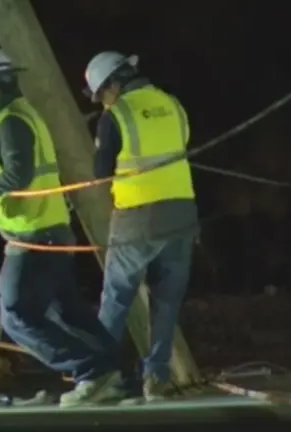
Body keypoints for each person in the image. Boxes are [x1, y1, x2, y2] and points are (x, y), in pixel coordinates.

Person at [0, 46, 123, 407]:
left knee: (17, 315)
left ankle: (93, 372)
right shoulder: (18, 115)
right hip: (49, 228)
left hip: (35, 235)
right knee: (70, 312)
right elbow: (14, 168)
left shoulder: (11, 120)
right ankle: (121, 376)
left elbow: (18, 173)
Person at [84, 51, 198, 401]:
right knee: (166, 304)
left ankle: (97, 377)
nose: (102, 101)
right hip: (182, 216)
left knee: (117, 298)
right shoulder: (173, 105)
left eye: (101, 94)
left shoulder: (116, 115)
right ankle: (156, 381)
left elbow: (100, 173)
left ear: (113, 85)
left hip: (137, 218)